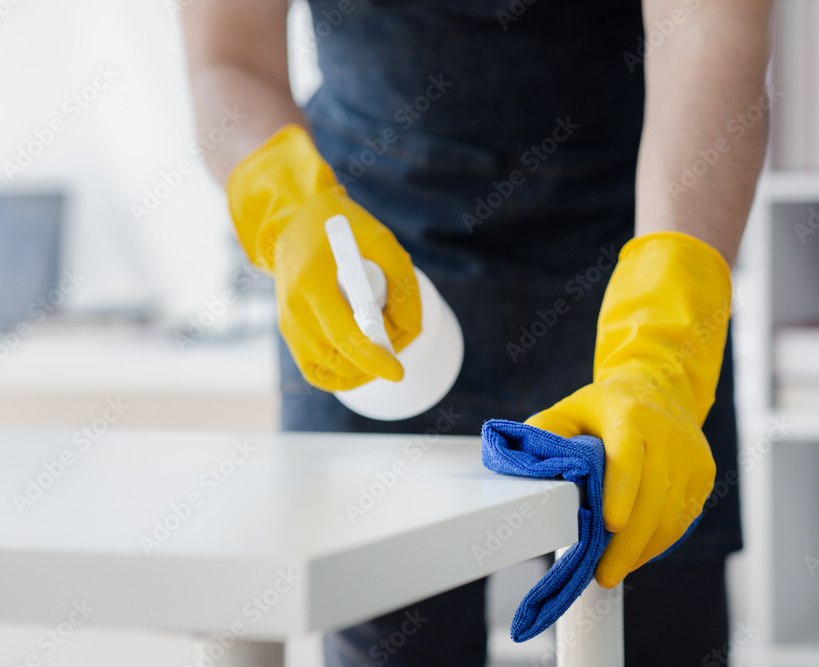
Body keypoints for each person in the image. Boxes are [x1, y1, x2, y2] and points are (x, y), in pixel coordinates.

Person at [182, 0, 773, 664]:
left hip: (632, 255)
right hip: (370, 286)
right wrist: (287, 207)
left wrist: (665, 338)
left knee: (654, 631)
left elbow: (707, 30)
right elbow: (228, 62)